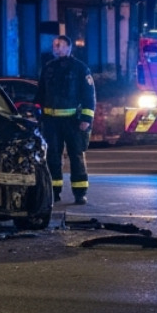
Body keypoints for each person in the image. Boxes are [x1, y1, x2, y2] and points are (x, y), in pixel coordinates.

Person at [37, 34, 96, 205]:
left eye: (60, 45)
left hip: (72, 121)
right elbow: (41, 93)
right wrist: (36, 111)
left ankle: (80, 192)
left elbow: (88, 97)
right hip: (51, 122)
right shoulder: (48, 68)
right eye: (54, 45)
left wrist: (86, 119)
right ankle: (53, 192)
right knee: (52, 157)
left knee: (76, 156)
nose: (56, 48)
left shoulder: (80, 69)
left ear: (69, 47)